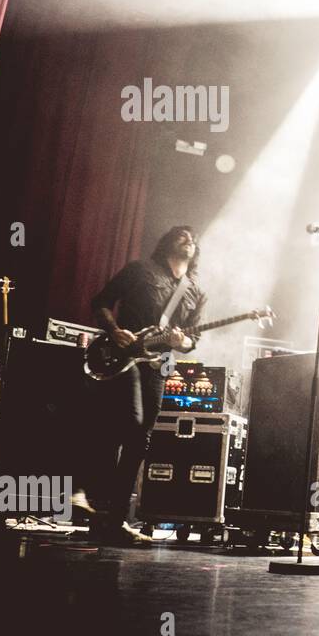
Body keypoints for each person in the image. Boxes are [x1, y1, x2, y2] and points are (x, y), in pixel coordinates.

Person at [81, 226, 206, 543]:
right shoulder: (140, 270)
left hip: (157, 367)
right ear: (166, 242)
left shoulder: (195, 292)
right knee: (120, 430)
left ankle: (114, 519)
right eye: (182, 235)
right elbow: (101, 302)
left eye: (193, 238)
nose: (189, 240)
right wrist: (113, 330)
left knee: (140, 441)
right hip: (120, 361)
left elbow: (193, 341)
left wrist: (183, 341)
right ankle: (97, 507)